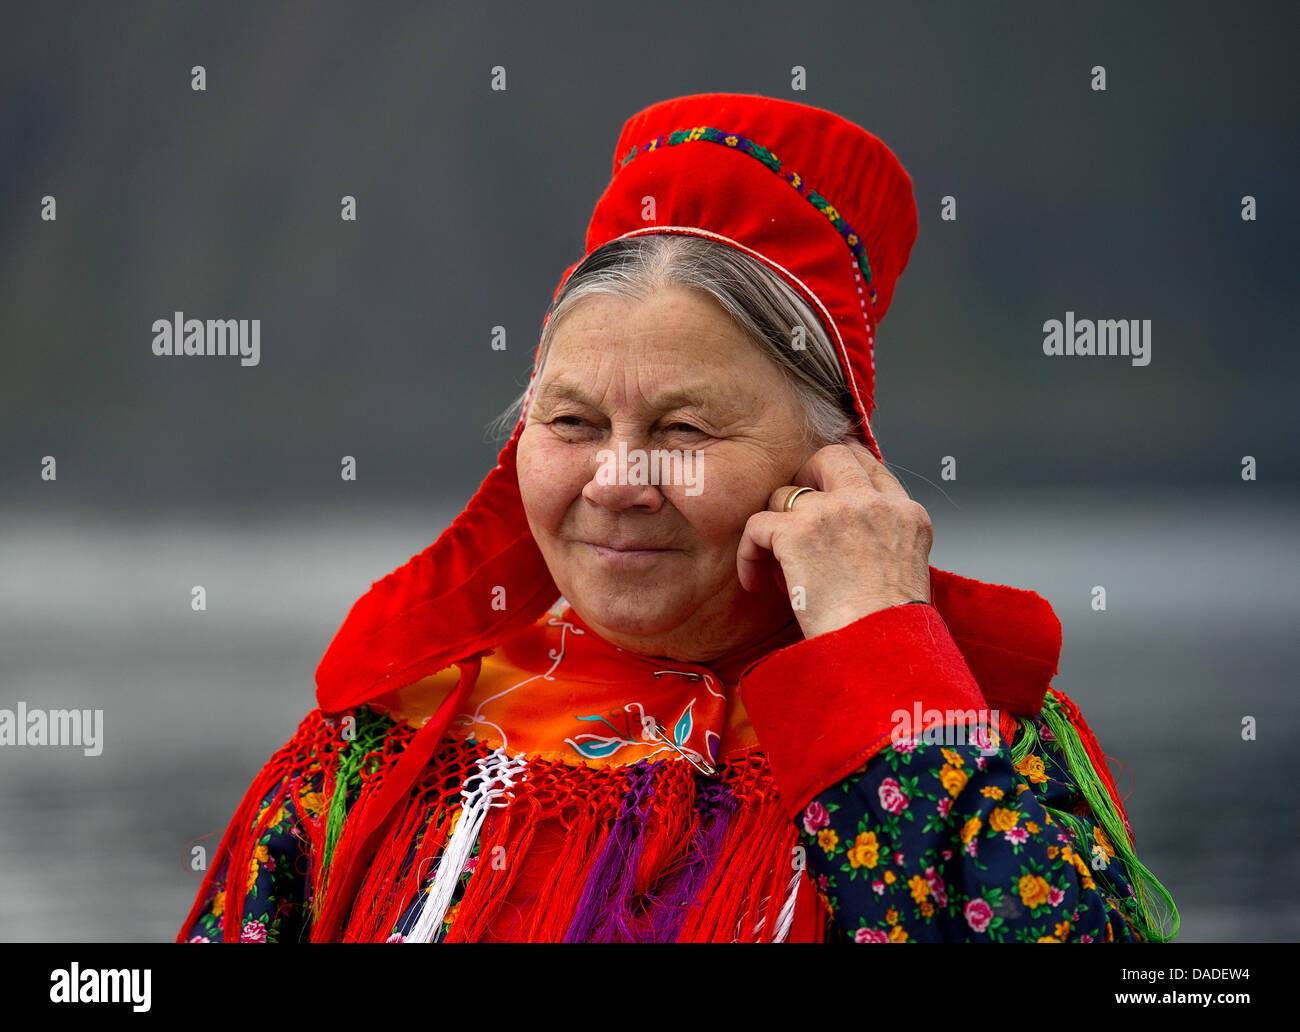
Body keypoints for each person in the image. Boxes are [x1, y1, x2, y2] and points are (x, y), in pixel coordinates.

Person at [178, 92, 1177, 943]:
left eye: (684, 429)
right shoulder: (387, 748)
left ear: (832, 467)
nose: (615, 480)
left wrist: (876, 646)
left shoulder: (958, 739)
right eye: (571, 420)